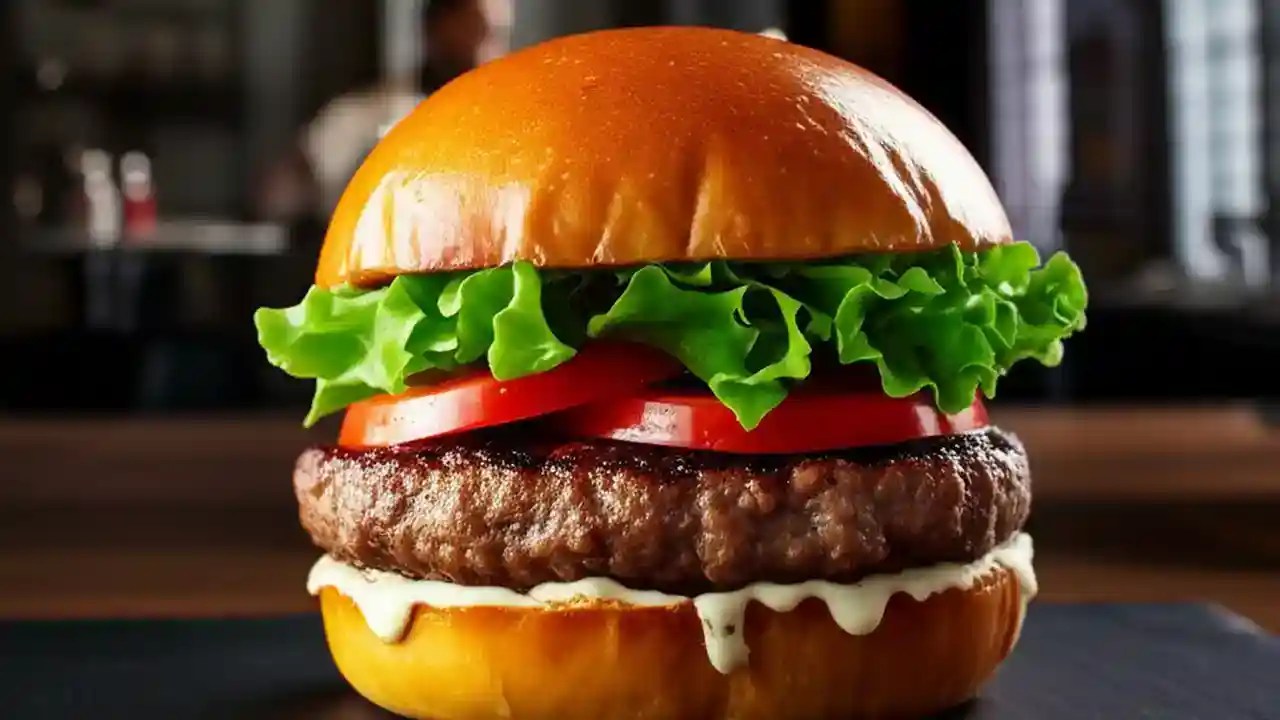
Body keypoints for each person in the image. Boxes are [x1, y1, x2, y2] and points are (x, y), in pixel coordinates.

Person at [258, 0, 494, 223]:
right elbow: (279, 192)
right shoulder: (369, 113)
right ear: (434, 28)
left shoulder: (499, 124)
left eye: (498, 33)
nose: (493, 47)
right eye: (479, 29)